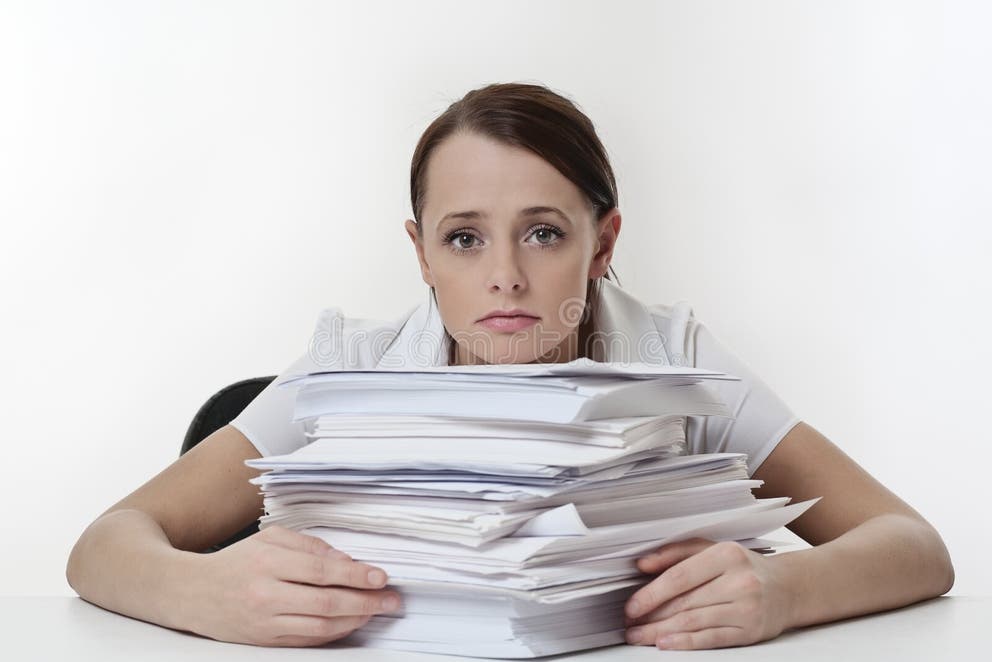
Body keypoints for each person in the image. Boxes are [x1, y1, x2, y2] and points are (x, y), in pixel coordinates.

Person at [66, 81, 954, 651]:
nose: (504, 276)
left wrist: (787, 589)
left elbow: (913, 546)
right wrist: (201, 590)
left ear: (602, 244)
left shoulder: (676, 360)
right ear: (420, 254)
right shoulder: (349, 371)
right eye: (463, 238)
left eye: (542, 232)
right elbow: (105, 544)